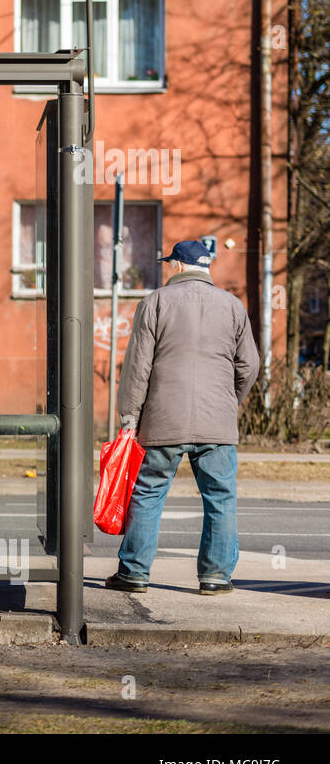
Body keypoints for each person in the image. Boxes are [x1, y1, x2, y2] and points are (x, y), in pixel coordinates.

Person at [108, 240, 260, 596]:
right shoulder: (233, 306)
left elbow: (137, 366)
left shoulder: (156, 302)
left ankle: (133, 573)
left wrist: (130, 415)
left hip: (162, 420)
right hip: (217, 423)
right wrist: (229, 401)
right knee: (221, 499)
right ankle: (215, 577)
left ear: (177, 265)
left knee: (148, 493)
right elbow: (249, 365)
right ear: (207, 268)